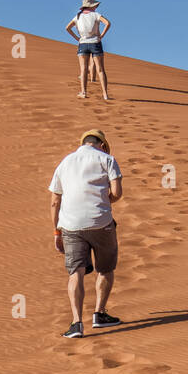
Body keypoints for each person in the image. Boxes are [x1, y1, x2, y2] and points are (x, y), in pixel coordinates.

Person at [49, 128, 123, 336]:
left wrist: (56, 232)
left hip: (71, 225)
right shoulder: (107, 159)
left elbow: (55, 201)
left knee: (76, 273)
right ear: (102, 145)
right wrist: (104, 201)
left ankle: (76, 323)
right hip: (101, 223)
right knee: (105, 268)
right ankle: (99, 314)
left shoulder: (65, 162)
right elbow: (117, 192)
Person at [64, 0, 112, 100]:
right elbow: (108, 23)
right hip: (95, 43)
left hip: (83, 44)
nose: (96, 7)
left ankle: (83, 92)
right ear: (92, 6)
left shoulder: (77, 16)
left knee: (83, 69)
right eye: (95, 5)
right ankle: (105, 95)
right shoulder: (96, 15)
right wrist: (102, 35)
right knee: (100, 70)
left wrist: (77, 38)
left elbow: (67, 28)